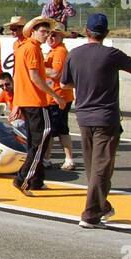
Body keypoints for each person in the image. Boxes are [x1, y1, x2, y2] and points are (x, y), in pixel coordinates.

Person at [61, 13, 131, 228]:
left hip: (83, 116)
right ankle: (90, 214)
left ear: (86, 31)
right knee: (102, 166)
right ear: (106, 33)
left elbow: (65, 84)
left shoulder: (74, 54)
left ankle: (102, 205)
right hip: (106, 117)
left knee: (92, 166)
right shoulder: (111, 54)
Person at [11, 17, 66, 196]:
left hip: (27, 101)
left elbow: (20, 77)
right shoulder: (32, 48)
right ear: (33, 31)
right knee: (40, 142)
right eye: (42, 31)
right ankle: (23, 179)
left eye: (47, 32)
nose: (46, 35)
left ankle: (36, 179)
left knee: (38, 141)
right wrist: (56, 96)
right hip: (35, 102)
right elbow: (35, 77)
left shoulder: (22, 48)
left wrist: (17, 102)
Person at [44, 23, 75, 171]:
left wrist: (38, 68)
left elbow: (56, 73)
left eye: (54, 34)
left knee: (53, 129)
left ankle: (51, 159)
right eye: (49, 34)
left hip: (58, 96)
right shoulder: (53, 50)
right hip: (56, 96)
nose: (50, 37)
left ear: (61, 36)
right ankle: (55, 158)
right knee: (59, 129)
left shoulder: (60, 51)